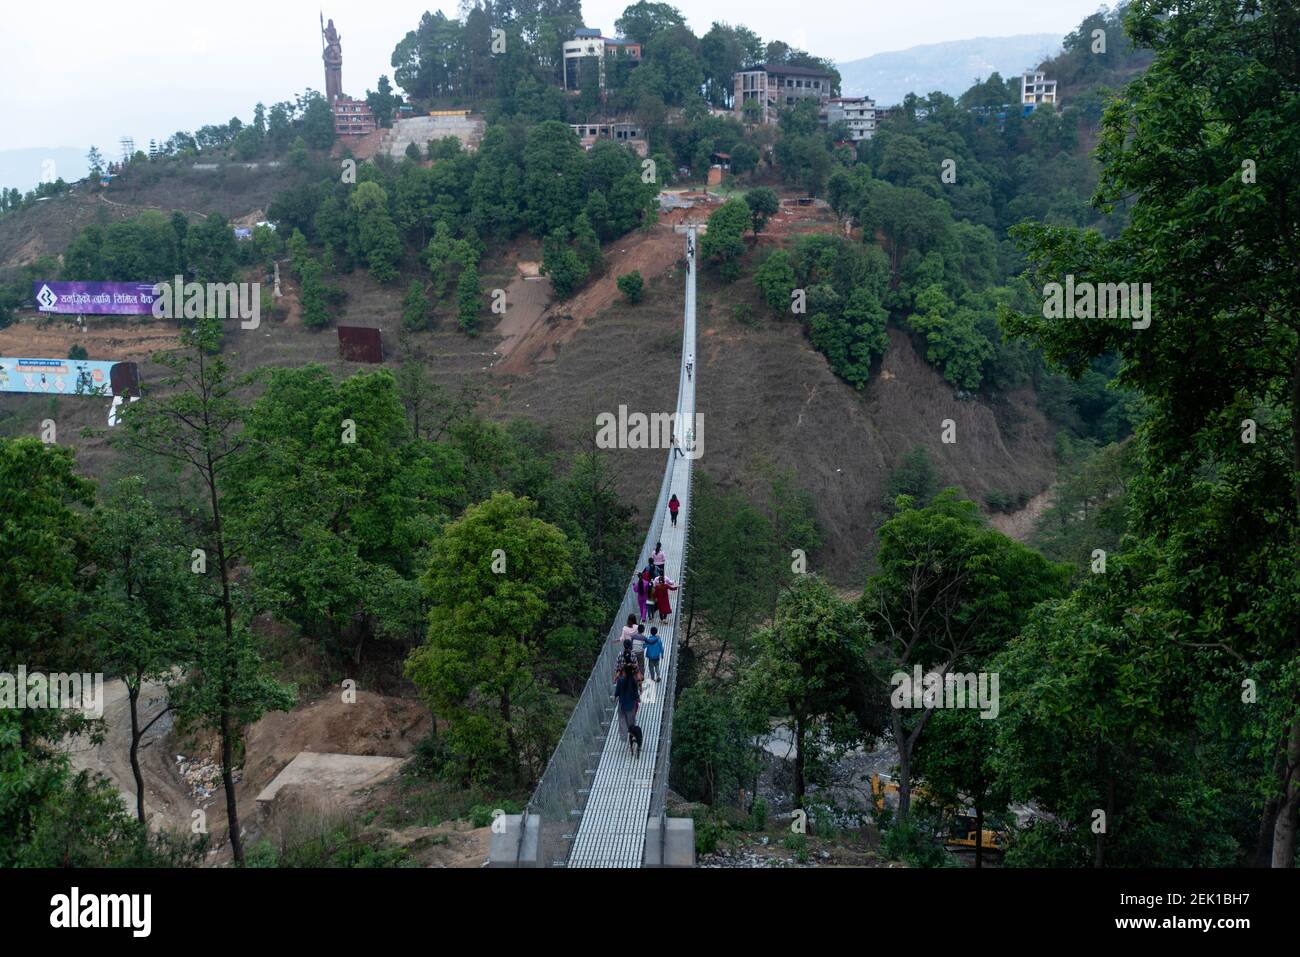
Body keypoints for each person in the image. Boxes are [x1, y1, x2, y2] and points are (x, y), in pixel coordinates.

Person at [613, 661, 641, 739]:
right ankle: (632, 734)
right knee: (631, 721)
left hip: (622, 704)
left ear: (624, 672)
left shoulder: (620, 681)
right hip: (631, 705)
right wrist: (638, 698)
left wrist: (615, 697)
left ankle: (623, 736)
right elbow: (635, 692)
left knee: (622, 720)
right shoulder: (633, 681)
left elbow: (617, 691)